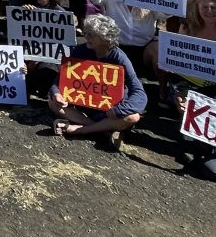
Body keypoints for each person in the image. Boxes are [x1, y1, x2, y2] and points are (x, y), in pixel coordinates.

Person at [48, 13, 146, 147]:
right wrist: (56, 94)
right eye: (86, 33)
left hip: (110, 113)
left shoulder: (119, 58)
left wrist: (119, 110)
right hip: (85, 108)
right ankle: (103, 130)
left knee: (133, 117)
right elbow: (58, 81)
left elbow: (140, 94)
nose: (86, 37)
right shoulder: (80, 51)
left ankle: (81, 130)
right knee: (52, 102)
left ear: (105, 38)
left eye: (91, 35)